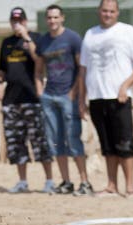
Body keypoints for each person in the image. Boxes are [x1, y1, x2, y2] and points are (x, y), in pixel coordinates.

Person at [78, 0, 133, 197]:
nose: (107, 14)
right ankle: (111, 185)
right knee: (107, 144)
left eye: (111, 11)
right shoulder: (90, 34)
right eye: (104, 11)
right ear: (98, 11)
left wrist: (125, 86)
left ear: (117, 13)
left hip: (119, 98)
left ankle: (130, 187)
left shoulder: (128, 31)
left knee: (125, 143)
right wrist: (81, 100)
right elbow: (83, 70)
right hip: (97, 97)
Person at [0, 7, 55, 194]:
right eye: (14, 21)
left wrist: (27, 38)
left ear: (26, 22)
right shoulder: (7, 43)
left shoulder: (36, 38)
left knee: (40, 141)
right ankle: (22, 181)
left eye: (20, 21)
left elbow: (39, 61)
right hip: (11, 100)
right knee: (16, 143)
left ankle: (49, 180)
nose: (17, 24)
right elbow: (2, 69)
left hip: (32, 98)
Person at [35, 4, 92, 196]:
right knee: (56, 142)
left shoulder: (73, 38)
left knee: (73, 139)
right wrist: (40, 92)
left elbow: (81, 68)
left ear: (62, 18)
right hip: (49, 97)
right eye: (49, 18)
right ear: (46, 20)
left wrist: (74, 92)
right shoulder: (43, 41)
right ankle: (66, 182)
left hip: (68, 96)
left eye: (55, 17)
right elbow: (38, 70)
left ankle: (85, 182)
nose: (52, 21)